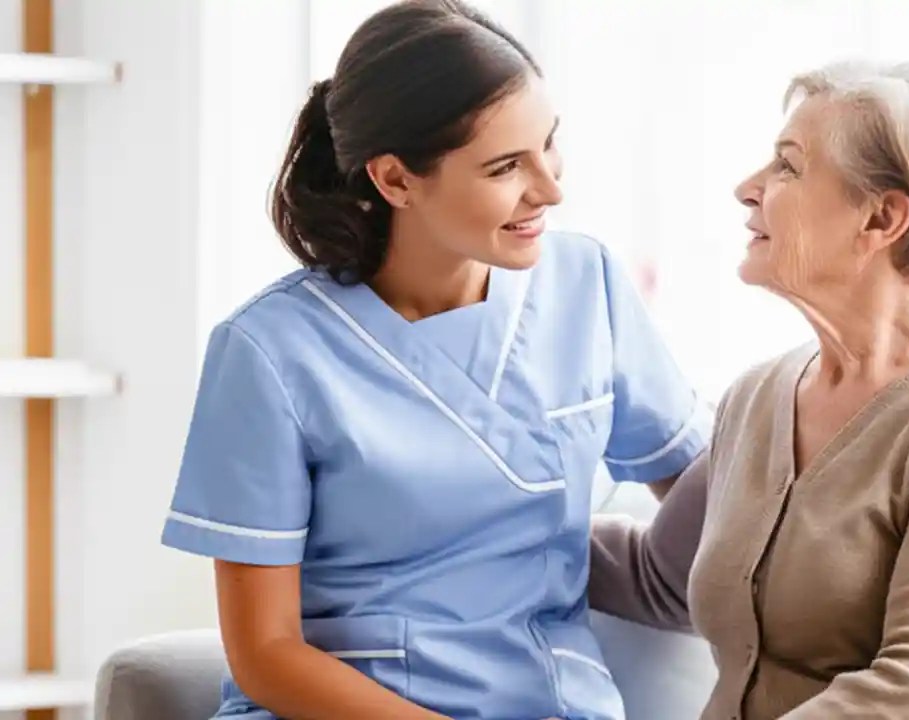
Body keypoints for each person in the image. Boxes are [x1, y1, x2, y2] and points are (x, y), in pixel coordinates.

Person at [159, 2, 709, 718]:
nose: (549, 189)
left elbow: (723, 503)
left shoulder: (587, 287)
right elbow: (265, 654)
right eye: (506, 166)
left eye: (550, 146)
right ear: (394, 180)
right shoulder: (269, 352)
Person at [590, 60, 909, 719]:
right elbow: (658, 577)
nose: (748, 188)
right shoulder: (759, 396)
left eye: (787, 167)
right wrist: (470, 524)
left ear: (882, 218)